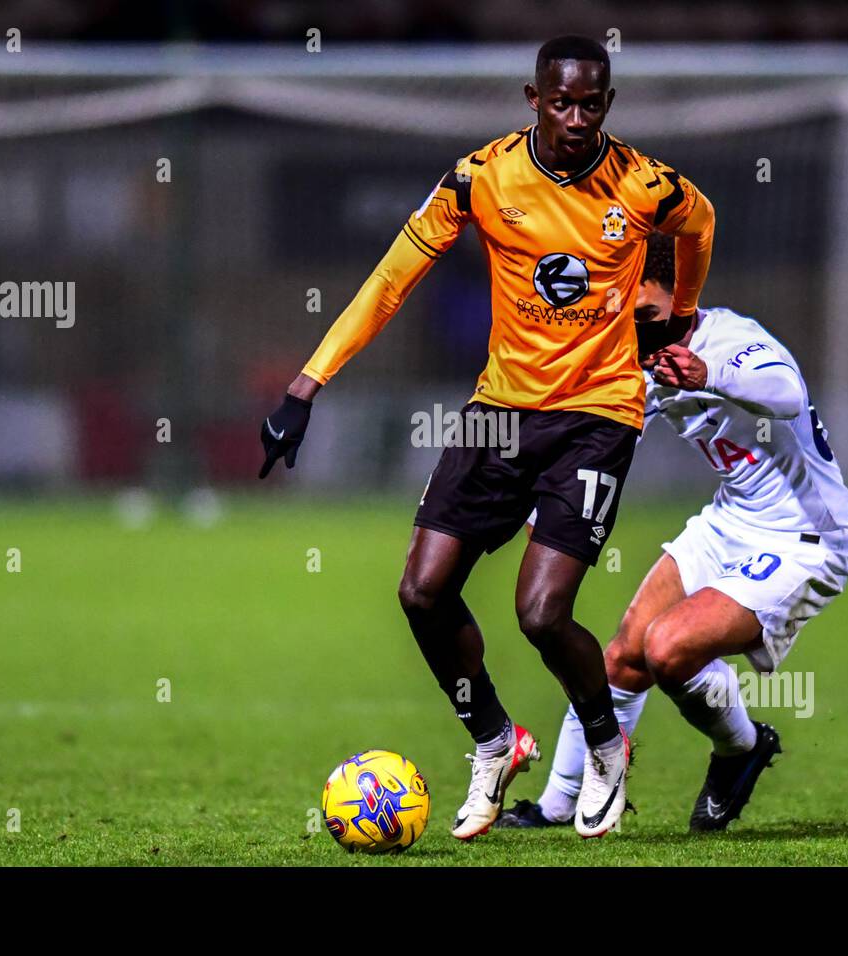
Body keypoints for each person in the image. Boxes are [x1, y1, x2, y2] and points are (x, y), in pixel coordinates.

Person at [258, 36, 715, 838]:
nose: (577, 118)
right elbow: (391, 279)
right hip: (501, 410)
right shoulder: (481, 177)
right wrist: (307, 383)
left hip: (598, 415)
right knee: (422, 592)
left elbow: (700, 222)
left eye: (592, 104)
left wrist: (679, 318)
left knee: (540, 614)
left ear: (608, 104)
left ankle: (606, 746)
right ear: (534, 99)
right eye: (561, 102)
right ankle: (496, 741)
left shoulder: (645, 184)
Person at [496, 233, 848, 831]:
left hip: (806, 541)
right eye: (627, 316)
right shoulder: (639, 363)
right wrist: (539, 516)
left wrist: (709, 374)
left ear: (682, 295)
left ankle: (740, 749)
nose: (638, 331)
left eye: (649, 315)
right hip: (729, 520)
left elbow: (788, 394)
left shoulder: (732, 341)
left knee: (666, 648)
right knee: (622, 657)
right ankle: (557, 806)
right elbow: (596, 448)